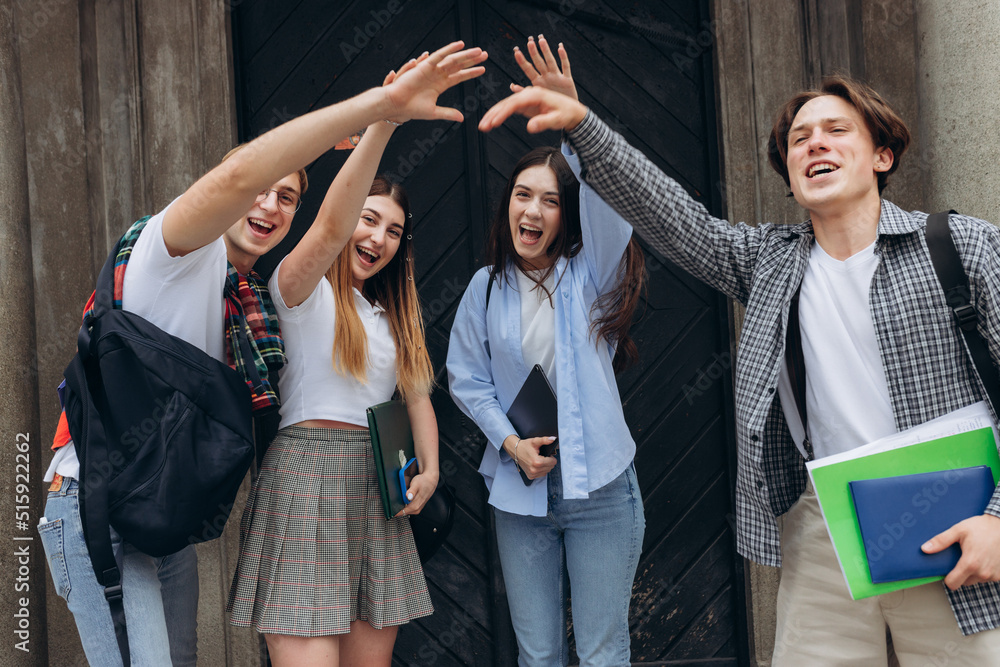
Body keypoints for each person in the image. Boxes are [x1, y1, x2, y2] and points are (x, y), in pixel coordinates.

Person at [478, 41, 1000, 664]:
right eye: (799, 139)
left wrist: (997, 519)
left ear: (882, 155)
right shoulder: (771, 263)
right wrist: (583, 128)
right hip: (822, 526)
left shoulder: (959, 246)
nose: (815, 144)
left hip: (953, 515)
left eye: (837, 130)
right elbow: (675, 220)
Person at [37, 41, 487, 667]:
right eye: (262, 190)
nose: (269, 205)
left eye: (288, 197)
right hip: (95, 500)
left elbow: (328, 230)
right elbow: (243, 181)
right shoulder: (173, 254)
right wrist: (381, 109)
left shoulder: (249, 304)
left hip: (158, 512)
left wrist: (378, 128)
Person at [225, 61, 447, 666]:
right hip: (306, 481)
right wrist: (384, 120)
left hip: (378, 490)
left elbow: (417, 400)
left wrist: (429, 471)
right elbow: (327, 228)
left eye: (394, 231)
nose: (376, 239)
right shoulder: (300, 291)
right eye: (369, 221)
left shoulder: (391, 318)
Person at [447, 36, 646, 666]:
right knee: (537, 656)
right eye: (522, 194)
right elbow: (466, 379)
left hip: (602, 494)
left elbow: (615, 207)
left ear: (567, 216)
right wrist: (509, 443)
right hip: (519, 494)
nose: (531, 210)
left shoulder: (592, 273)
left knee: (602, 651)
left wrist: (578, 127)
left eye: (551, 200)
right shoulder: (485, 288)